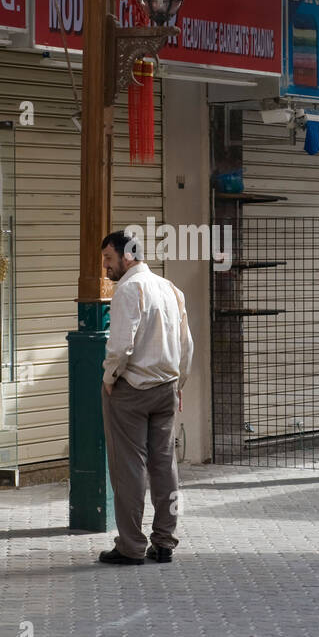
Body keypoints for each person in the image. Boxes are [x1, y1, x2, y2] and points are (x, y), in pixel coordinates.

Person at [97, 231, 194, 566]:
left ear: (127, 257)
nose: (105, 268)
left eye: (108, 259)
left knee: (129, 468)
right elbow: (186, 344)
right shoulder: (170, 288)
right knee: (165, 466)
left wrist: (109, 378)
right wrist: (179, 383)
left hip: (132, 390)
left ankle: (131, 546)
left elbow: (121, 344)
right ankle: (164, 541)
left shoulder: (128, 289)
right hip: (167, 388)